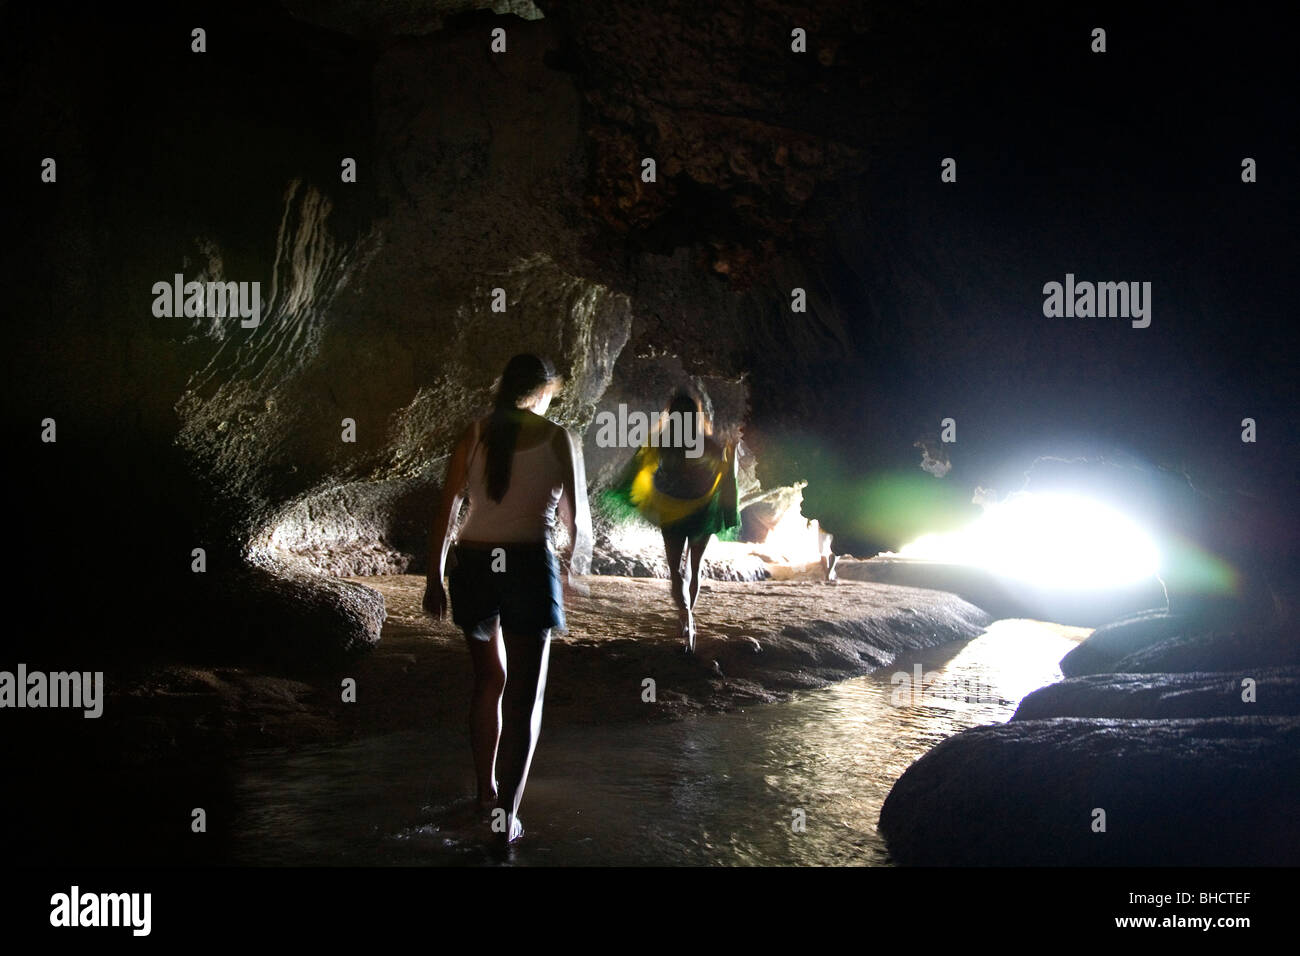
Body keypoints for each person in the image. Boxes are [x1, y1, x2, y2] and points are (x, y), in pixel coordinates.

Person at [422, 354, 591, 849]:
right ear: (542, 393)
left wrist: (434, 578)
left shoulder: (474, 432)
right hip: (525, 566)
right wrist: (574, 569)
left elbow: (448, 506)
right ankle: (505, 818)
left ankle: (484, 793)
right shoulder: (558, 437)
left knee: (487, 681)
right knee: (524, 694)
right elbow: (573, 520)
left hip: (473, 566)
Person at [607, 391, 740, 653]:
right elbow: (725, 474)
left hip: (673, 513)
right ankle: (691, 612)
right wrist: (731, 452)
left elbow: (641, 463)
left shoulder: (663, 442)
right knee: (695, 568)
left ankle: (684, 613)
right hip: (703, 513)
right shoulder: (708, 444)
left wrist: (628, 487)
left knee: (675, 571)